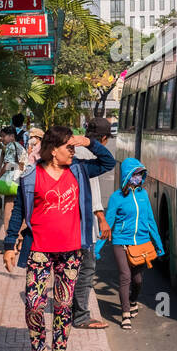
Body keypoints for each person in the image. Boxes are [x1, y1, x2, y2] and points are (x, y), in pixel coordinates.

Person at [2, 126, 114, 351]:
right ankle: (38, 349)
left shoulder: (79, 171)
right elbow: (18, 211)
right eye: (69, 147)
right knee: (33, 304)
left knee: (63, 306)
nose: (73, 152)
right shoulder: (30, 176)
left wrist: (87, 141)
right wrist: (10, 245)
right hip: (39, 250)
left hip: (71, 252)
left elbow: (108, 162)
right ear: (53, 151)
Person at [95, 158, 165, 330]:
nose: (139, 177)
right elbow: (108, 224)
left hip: (141, 243)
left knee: (138, 279)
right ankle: (125, 313)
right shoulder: (116, 198)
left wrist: (159, 246)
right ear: (128, 176)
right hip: (120, 242)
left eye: (141, 174)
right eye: (136, 174)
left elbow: (150, 222)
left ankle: (133, 301)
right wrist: (97, 249)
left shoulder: (143, 195)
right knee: (125, 276)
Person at [71, 117, 116, 330]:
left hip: (74, 222)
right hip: (82, 224)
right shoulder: (86, 156)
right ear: (104, 138)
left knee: (74, 268)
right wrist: (102, 219)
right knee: (86, 269)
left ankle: (73, 309)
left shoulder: (77, 154)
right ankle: (80, 315)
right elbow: (93, 195)